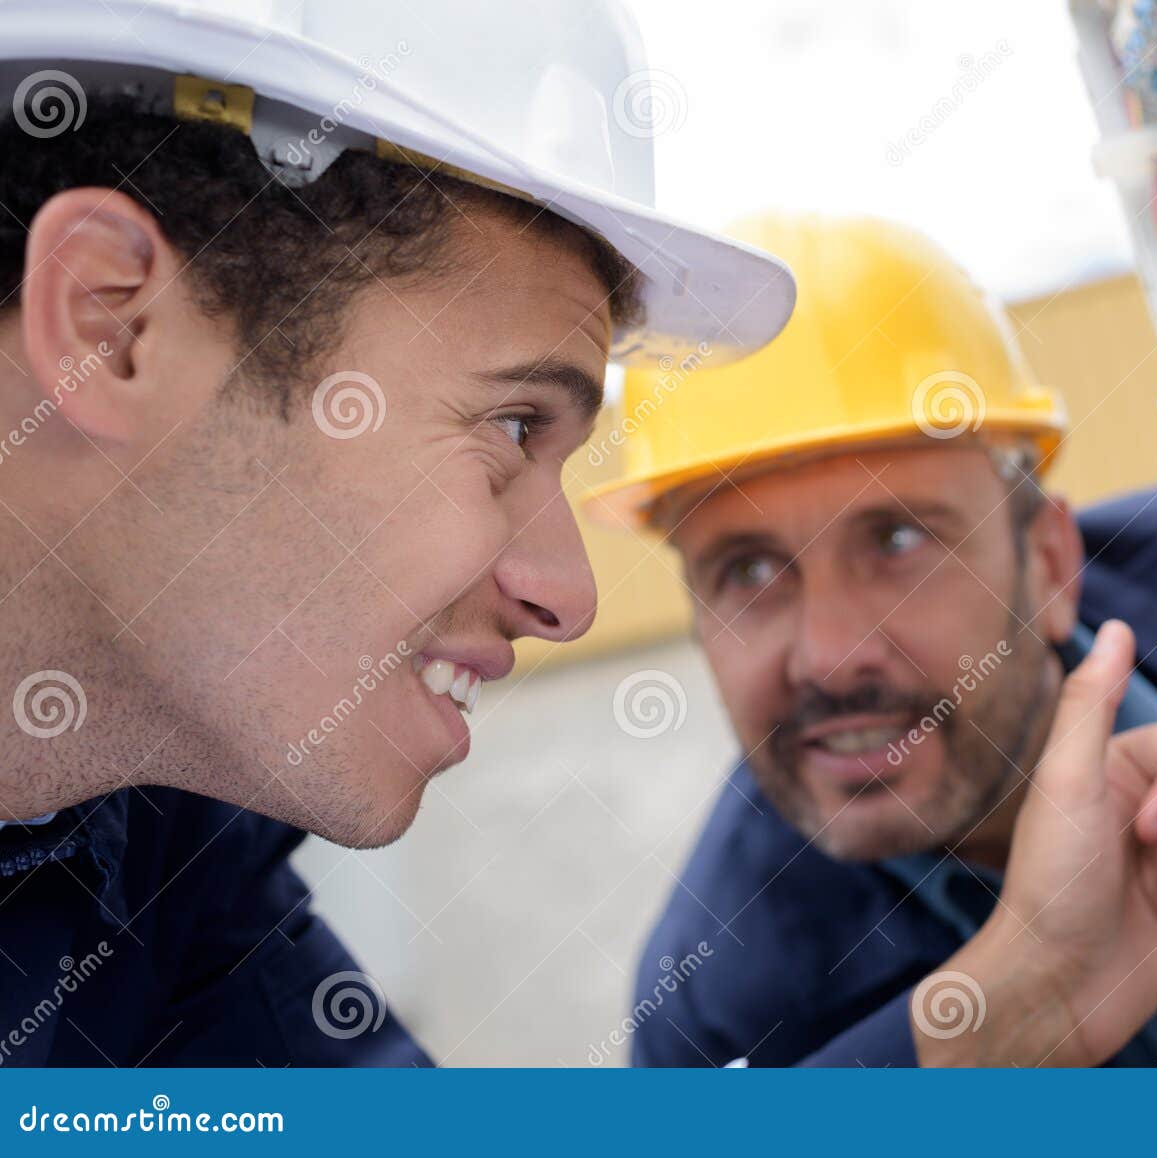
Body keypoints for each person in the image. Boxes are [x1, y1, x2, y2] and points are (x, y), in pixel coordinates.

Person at [0, 0, 795, 1065]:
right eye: (513, 426)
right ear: (112, 323)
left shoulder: (169, 857)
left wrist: (982, 1027)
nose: (571, 596)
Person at [586, 214, 1157, 1067]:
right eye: (745, 573)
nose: (830, 656)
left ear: (1047, 561)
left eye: (896, 543)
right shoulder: (723, 1024)